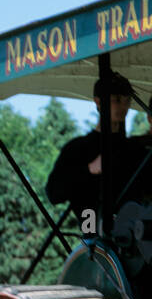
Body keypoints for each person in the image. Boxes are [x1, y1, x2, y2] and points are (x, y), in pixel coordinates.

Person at [45, 72, 140, 229]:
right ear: (98, 102)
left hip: (134, 231)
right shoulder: (77, 148)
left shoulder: (133, 148)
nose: (123, 106)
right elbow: (53, 193)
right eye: (116, 100)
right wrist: (89, 169)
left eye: (127, 100)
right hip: (94, 234)